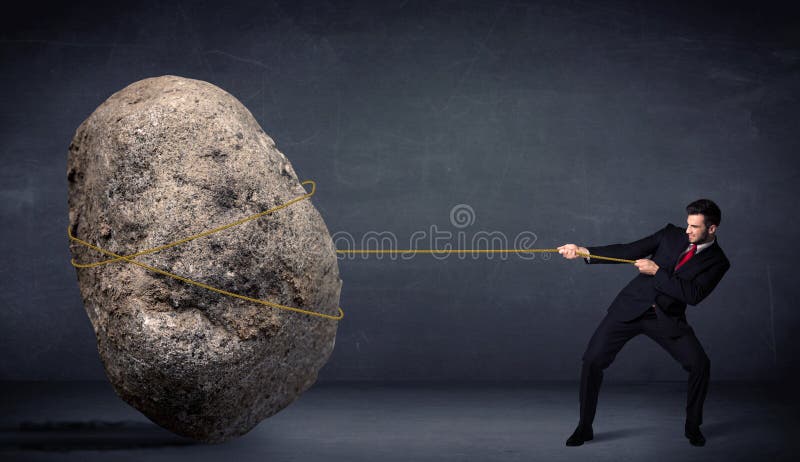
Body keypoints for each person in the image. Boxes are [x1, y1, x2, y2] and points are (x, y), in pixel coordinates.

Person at [557, 199, 730, 447]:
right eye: (687, 224)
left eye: (695, 227)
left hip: (665, 319)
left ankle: (693, 426)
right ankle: (584, 427)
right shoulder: (671, 234)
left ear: (712, 229)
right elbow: (628, 251)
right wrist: (584, 251)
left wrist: (658, 272)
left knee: (700, 365)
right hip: (629, 308)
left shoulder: (718, 262)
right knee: (592, 360)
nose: (688, 230)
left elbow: (693, 295)